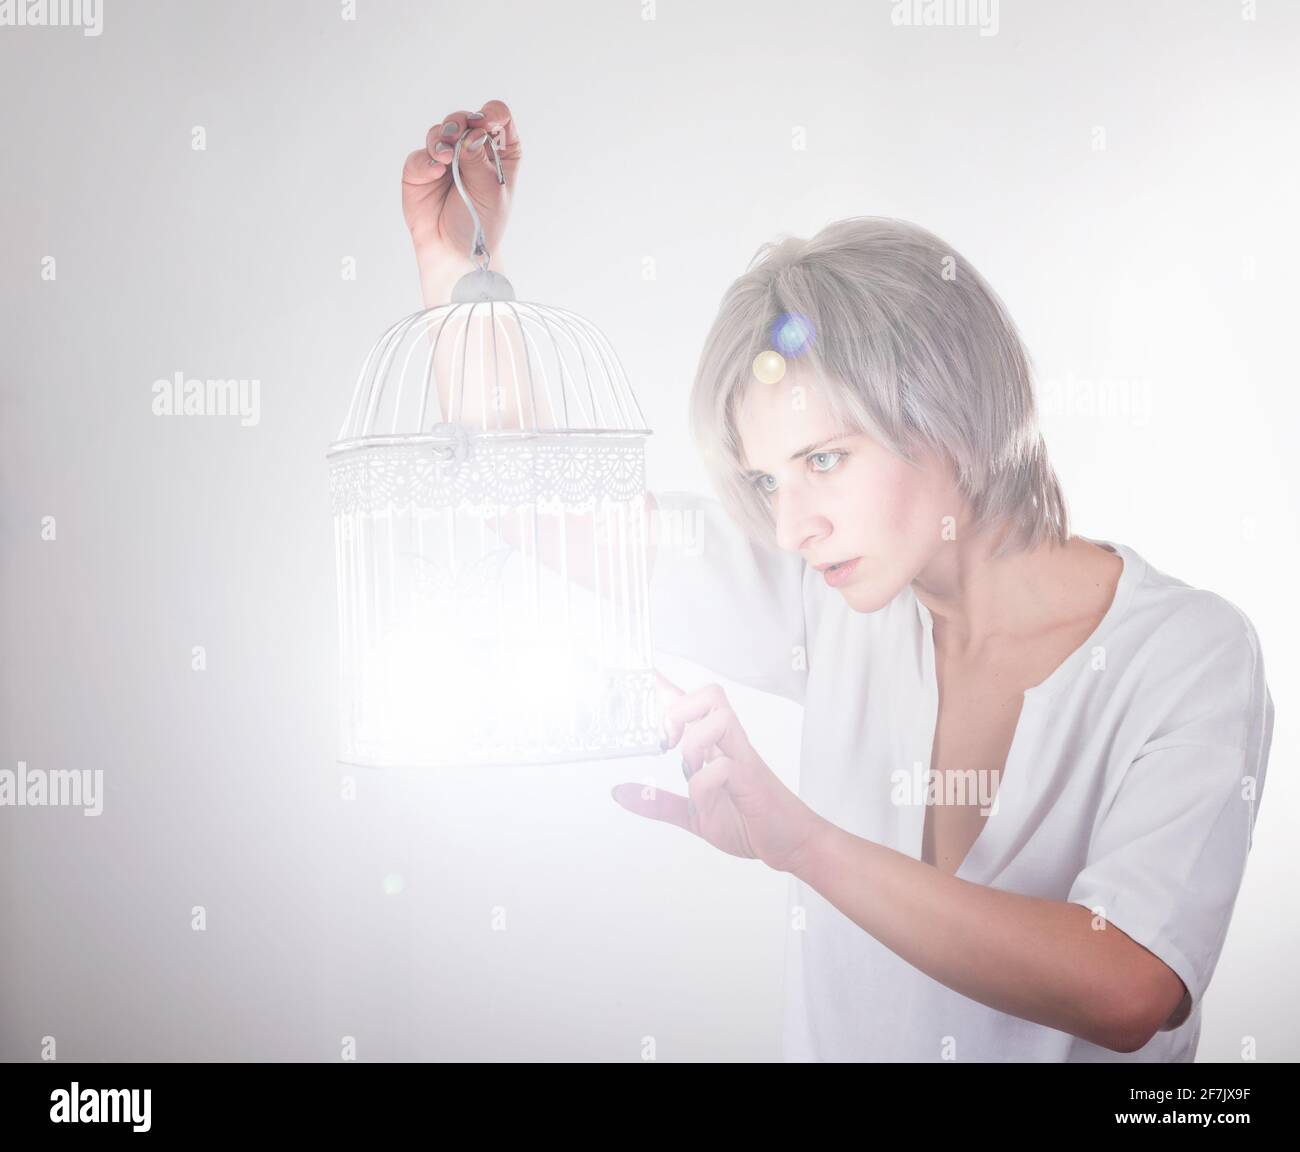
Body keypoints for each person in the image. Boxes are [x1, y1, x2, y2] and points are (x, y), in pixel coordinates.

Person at [402, 101, 1275, 1062]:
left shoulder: (1188, 655)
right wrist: (460, 275)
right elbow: (539, 508)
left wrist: (802, 841)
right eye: (768, 480)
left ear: (950, 407)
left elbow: (1126, 987)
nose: (790, 525)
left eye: (822, 460)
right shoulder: (831, 598)